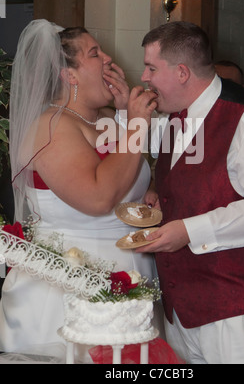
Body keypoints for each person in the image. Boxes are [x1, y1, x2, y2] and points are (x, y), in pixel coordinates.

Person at [137, 21, 244, 364]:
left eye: (151, 68)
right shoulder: (172, 121)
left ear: (181, 72)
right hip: (185, 314)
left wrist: (189, 230)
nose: (144, 77)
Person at [0, 19, 158, 361]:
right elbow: (98, 198)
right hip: (72, 287)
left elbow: (130, 176)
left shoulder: (102, 119)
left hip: (129, 275)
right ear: (69, 75)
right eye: (94, 53)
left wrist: (121, 117)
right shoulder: (51, 126)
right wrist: (135, 126)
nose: (108, 59)